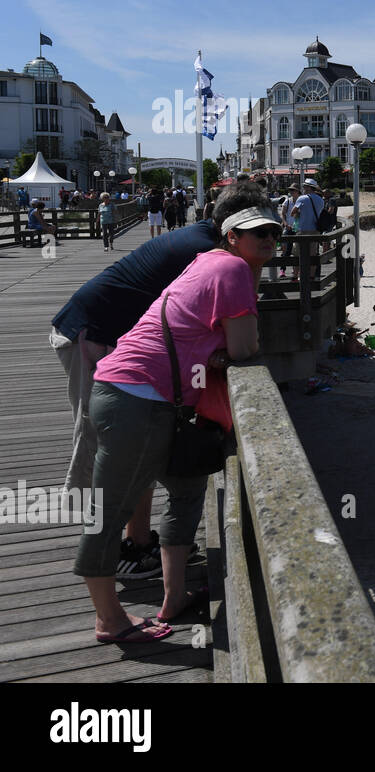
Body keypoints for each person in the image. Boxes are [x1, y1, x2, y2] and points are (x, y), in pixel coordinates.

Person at [79, 190, 275, 642]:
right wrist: (232, 349)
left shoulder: (210, 260)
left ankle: (173, 596)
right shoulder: (231, 268)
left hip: (133, 392)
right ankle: (110, 620)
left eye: (272, 232)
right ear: (231, 235)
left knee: (186, 490)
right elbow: (246, 347)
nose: (267, 239)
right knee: (107, 513)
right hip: (136, 397)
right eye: (255, 232)